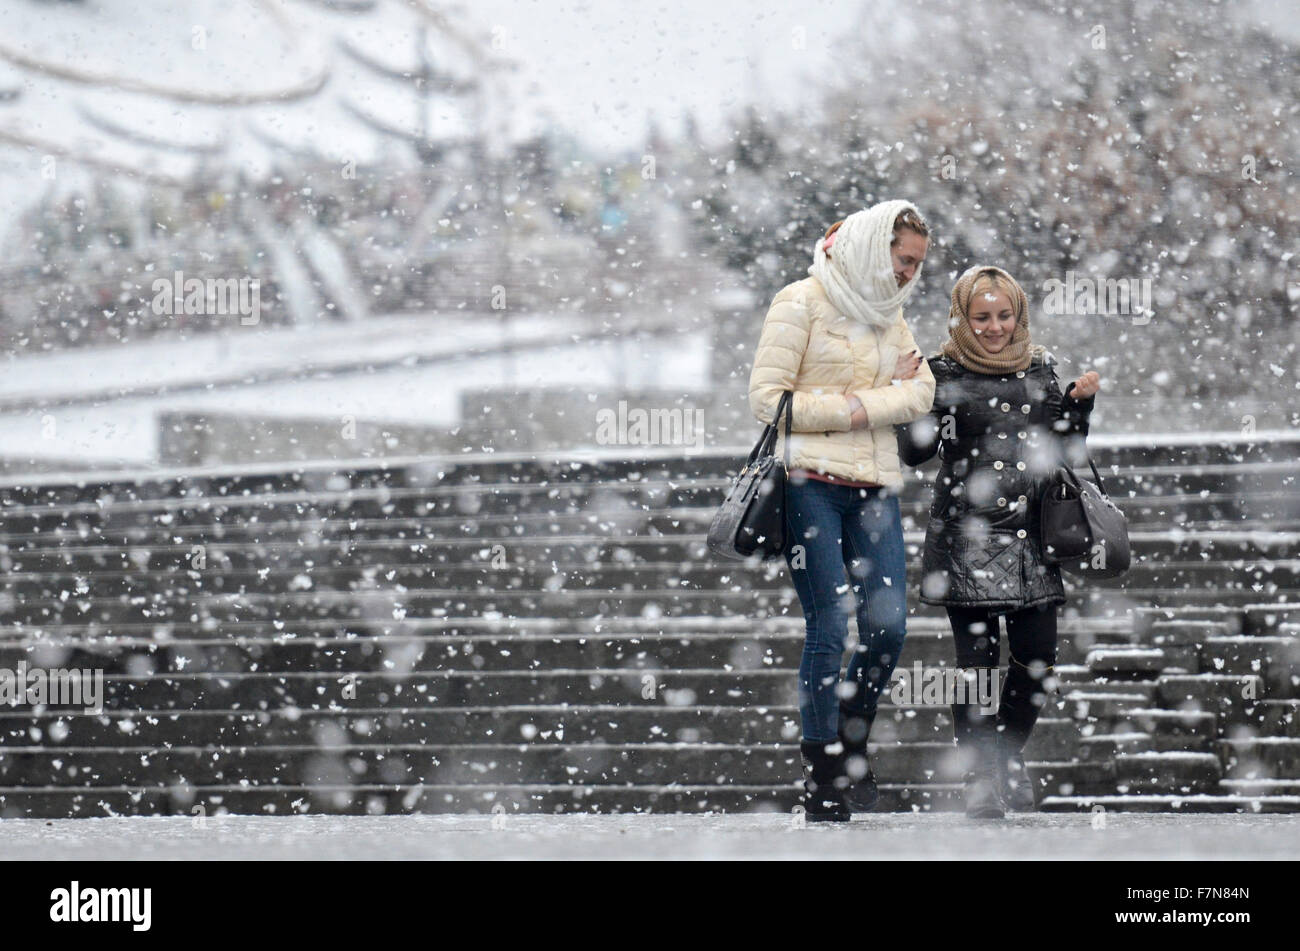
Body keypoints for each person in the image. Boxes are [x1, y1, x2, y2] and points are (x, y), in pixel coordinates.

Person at [748, 200, 936, 822]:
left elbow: (923, 391)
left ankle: (851, 733)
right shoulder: (799, 301)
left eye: (917, 264)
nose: (909, 273)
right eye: (903, 259)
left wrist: (870, 401)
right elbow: (771, 402)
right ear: (870, 246)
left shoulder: (892, 315)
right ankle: (824, 768)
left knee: (890, 630)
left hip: (875, 488)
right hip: (810, 485)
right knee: (829, 627)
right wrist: (868, 404)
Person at [895, 265, 1101, 818]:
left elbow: (1064, 450)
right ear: (962, 316)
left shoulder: (1040, 369)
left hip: (1032, 533)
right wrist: (905, 394)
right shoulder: (940, 372)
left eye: (1004, 315)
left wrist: (1078, 405)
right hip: (968, 535)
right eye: (981, 317)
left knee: (1037, 660)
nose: (994, 327)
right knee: (978, 666)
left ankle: (1007, 754)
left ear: (1019, 315)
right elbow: (915, 453)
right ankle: (981, 777)